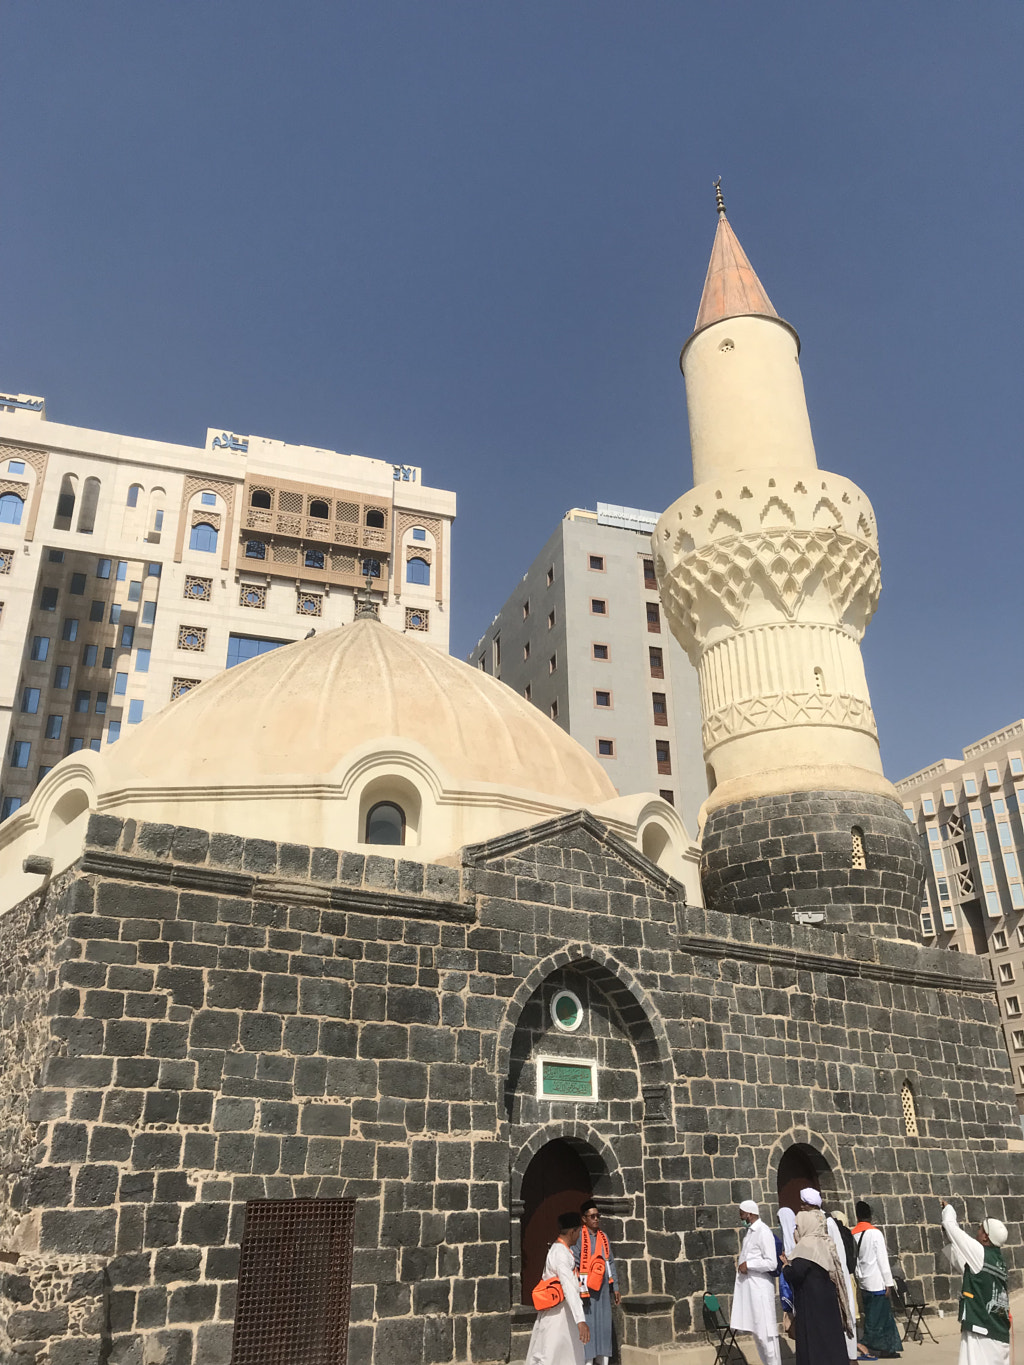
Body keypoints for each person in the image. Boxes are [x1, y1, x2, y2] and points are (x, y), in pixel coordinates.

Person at [940, 1199, 1010, 1364]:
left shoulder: (980, 1252)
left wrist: (948, 1209)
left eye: (979, 1229)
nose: (977, 1231)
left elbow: (951, 1226)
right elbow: (965, 1266)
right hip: (996, 1333)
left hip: (982, 1330)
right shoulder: (999, 1261)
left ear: (986, 1236)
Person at [782, 1208, 854, 1365]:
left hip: (812, 1305)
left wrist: (786, 1267)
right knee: (829, 1340)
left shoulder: (806, 1246)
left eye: (797, 1227)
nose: (796, 1230)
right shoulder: (823, 1242)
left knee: (815, 1344)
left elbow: (797, 1274)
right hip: (827, 1302)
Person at [800, 1189, 859, 1362]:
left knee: (842, 1315)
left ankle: (850, 1356)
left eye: (803, 1204)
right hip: (819, 1280)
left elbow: (836, 1252)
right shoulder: (810, 1222)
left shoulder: (827, 1222)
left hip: (832, 1277)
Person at [527, 1211, 591, 1365]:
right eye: (579, 1232)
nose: (580, 1236)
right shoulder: (560, 1254)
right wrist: (580, 1320)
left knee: (567, 1354)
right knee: (551, 1354)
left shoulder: (562, 1250)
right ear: (572, 1232)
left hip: (564, 1312)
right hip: (557, 1314)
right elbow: (568, 1286)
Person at [730, 1200, 781, 1365]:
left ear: (749, 1214)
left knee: (766, 1333)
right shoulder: (751, 1232)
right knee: (757, 1334)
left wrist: (749, 1265)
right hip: (750, 1289)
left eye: (742, 1214)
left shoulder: (763, 1231)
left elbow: (771, 1263)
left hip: (760, 1289)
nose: (741, 1217)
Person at [852, 1200, 902, 1357]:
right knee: (880, 1318)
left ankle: (884, 1348)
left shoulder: (853, 1233)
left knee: (873, 1315)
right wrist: (889, 1283)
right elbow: (882, 1260)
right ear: (870, 1216)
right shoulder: (875, 1233)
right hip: (877, 1282)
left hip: (864, 1281)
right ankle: (870, 1344)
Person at [573, 1200, 620, 1365]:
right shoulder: (579, 1236)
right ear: (584, 1219)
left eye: (597, 1216)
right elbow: (575, 1262)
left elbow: (610, 1262)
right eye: (592, 1216)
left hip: (602, 1290)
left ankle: (603, 1360)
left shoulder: (604, 1237)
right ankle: (588, 1360)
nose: (596, 1219)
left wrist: (616, 1287)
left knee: (604, 1326)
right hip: (586, 1291)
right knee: (589, 1326)